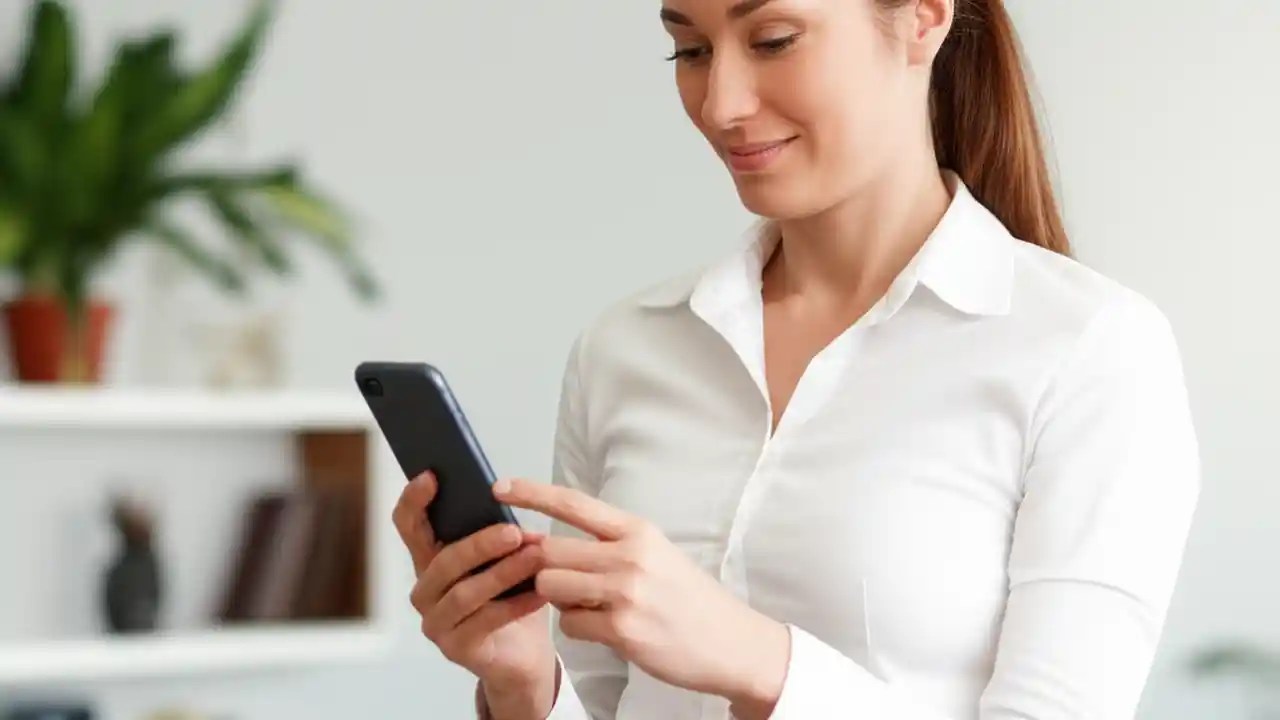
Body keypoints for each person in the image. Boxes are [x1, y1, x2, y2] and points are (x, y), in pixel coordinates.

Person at [393, 0, 1200, 717]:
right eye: (692, 51)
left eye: (773, 40)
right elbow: (602, 703)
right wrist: (525, 684)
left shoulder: (1089, 350)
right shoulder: (626, 349)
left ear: (923, 18)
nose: (722, 105)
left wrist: (760, 662)